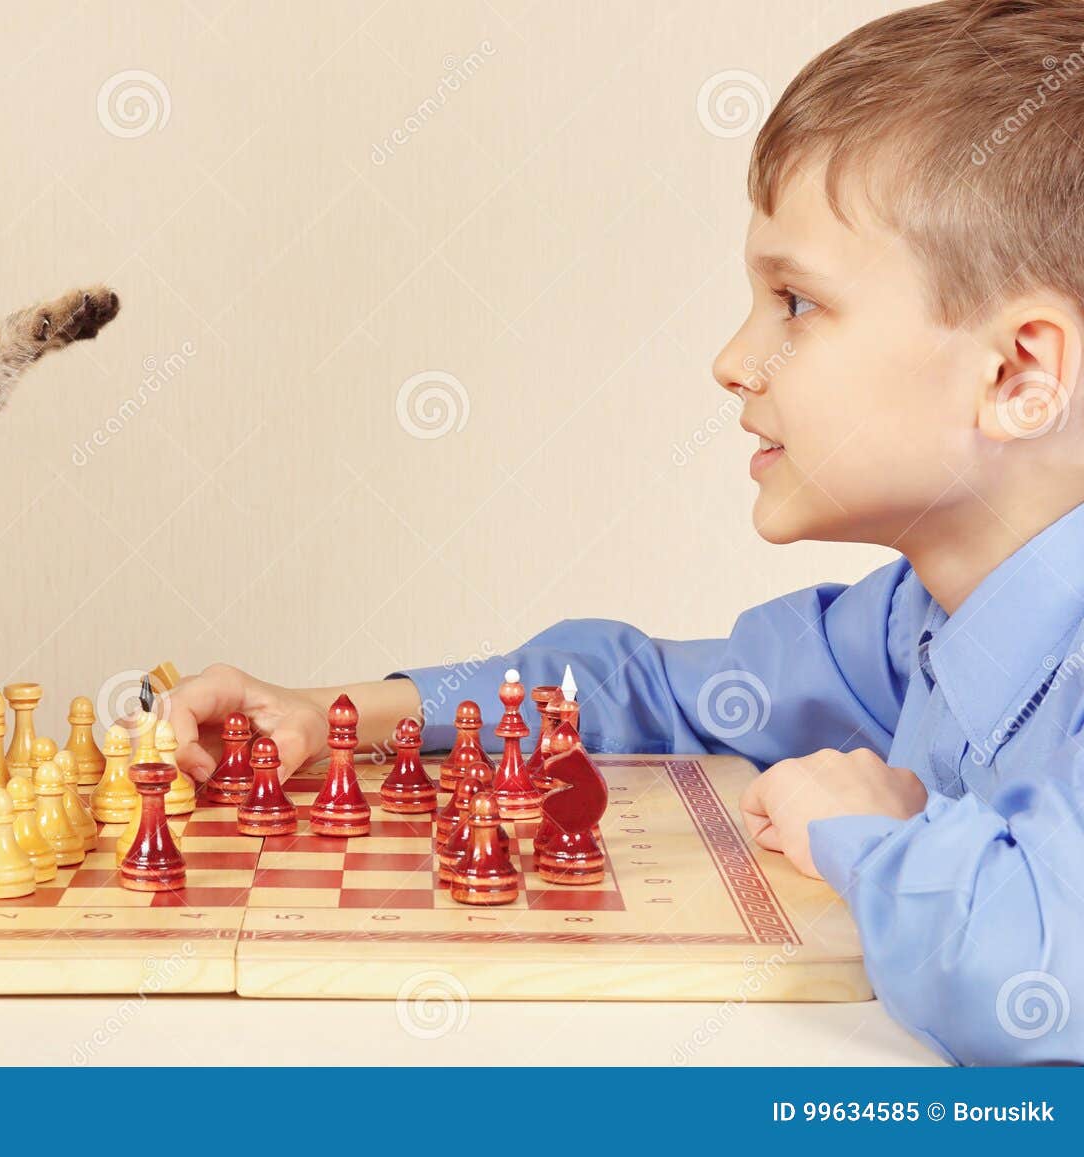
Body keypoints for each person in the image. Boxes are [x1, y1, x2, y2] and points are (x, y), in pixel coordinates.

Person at [165, 1, 1084, 1066]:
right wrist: (343, 714)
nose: (734, 359)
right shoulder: (921, 619)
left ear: (1018, 373)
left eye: (794, 302)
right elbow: (649, 689)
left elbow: (1026, 971)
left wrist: (863, 828)